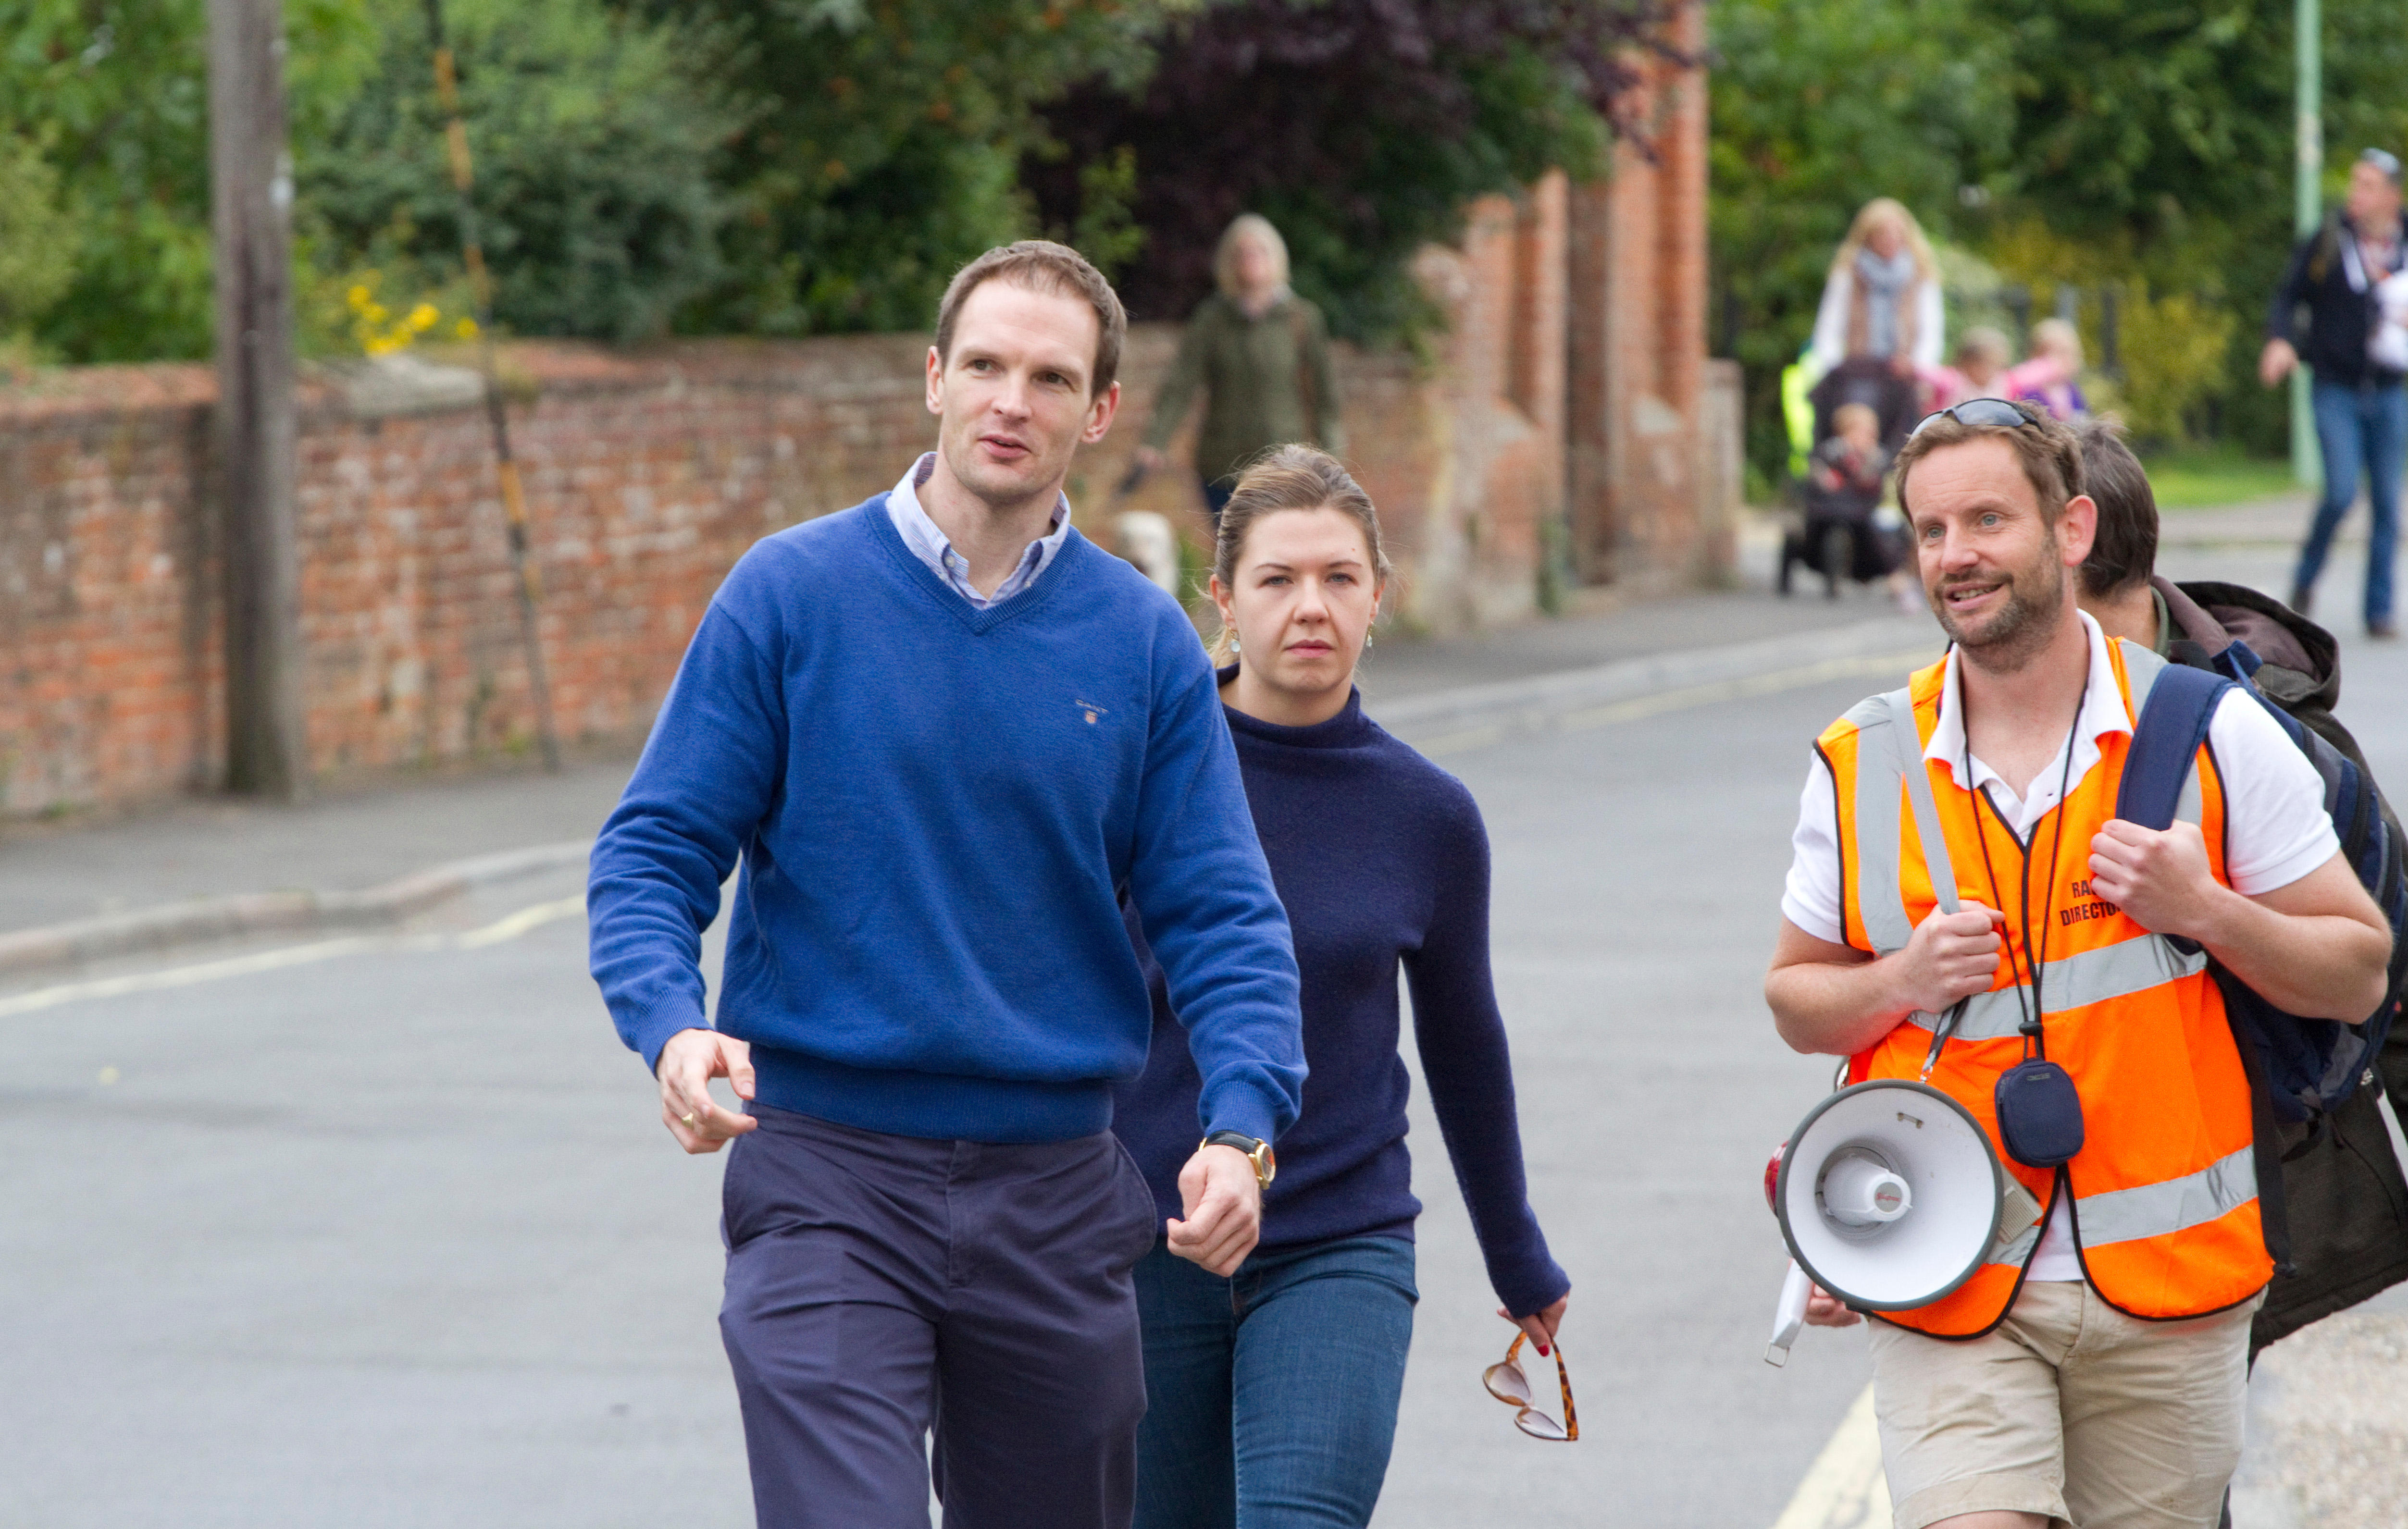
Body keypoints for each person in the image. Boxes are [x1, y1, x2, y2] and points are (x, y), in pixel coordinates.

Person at [585, 240, 1309, 1529]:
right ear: (932, 377)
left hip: (1056, 1191)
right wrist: (669, 1025)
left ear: (1097, 413)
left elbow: (1223, 914)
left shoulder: (1139, 638)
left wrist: (1243, 1128)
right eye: (982, 364)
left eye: (1048, 377)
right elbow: (652, 849)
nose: (1008, 402)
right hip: (822, 1177)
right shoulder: (791, 595)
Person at [1765, 399, 2391, 1529]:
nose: (1952, 555)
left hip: (2167, 1290)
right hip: (1946, 1272)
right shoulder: (1861, 756)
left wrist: (2202, 907)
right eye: (1927, 530)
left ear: (2067, 529)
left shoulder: (2210, 731)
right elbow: (1796, 1000)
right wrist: (1899, 979)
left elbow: (2354, 970)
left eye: (1984, 520)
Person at [1114, 444, 1570, 1529]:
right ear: (1221, 598)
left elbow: (1462, 1040)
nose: (1307, 607)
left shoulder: (1425, 812)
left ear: (1377, 597)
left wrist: (1515, 1251)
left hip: (1336, 1238)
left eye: (1337, 578)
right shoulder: (1133, 776)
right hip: (1139, 1237)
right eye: (1275, 579)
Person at [2071, 417, 2408, 1370]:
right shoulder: (1985, 713)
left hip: (2223, 1193)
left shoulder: (2267, 728)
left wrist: (2210, 909)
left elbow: (2387, 966)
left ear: (2079, 549)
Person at [2262, 147, 2408, 636]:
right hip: (2336, 386)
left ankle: (2379, 611)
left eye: (2369, 186)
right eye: (2355, 184)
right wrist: (2280, 341)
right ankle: (2305, 579)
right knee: (2342, 489)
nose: (2357, 194)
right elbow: (2287, 297)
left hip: (2392, 388)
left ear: (2393, 196)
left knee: (2388, 501)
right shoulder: (2328, 240)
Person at [1137, 214, 1345, 522]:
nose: (1250, 260)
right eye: (1242, 254)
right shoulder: (1212, 319)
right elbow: (1181, 384)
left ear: (1276, 257)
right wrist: (1155, 441)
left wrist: (1332, 459)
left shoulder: (1301, 319)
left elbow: (1325, 396)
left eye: (1259, 251)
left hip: (1285, 468)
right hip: (1222, 466)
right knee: (1234, 556)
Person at [1807, 198, 1946, 379]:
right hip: (1857, 373)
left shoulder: (1921, 275)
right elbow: (1829, 327)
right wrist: (1835, 369)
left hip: (1905, 377)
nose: (1890, 239)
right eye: (1882, 234)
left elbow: (1932, 330)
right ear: (1867, 236)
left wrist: (1917, 366)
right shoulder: (1849, 273)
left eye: (1897, 233)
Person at [2012, 319, 2088, 421]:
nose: (2067, 359)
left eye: (2070, 353)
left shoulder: (2072, 390)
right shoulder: (2027, 391)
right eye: (2061, 353)